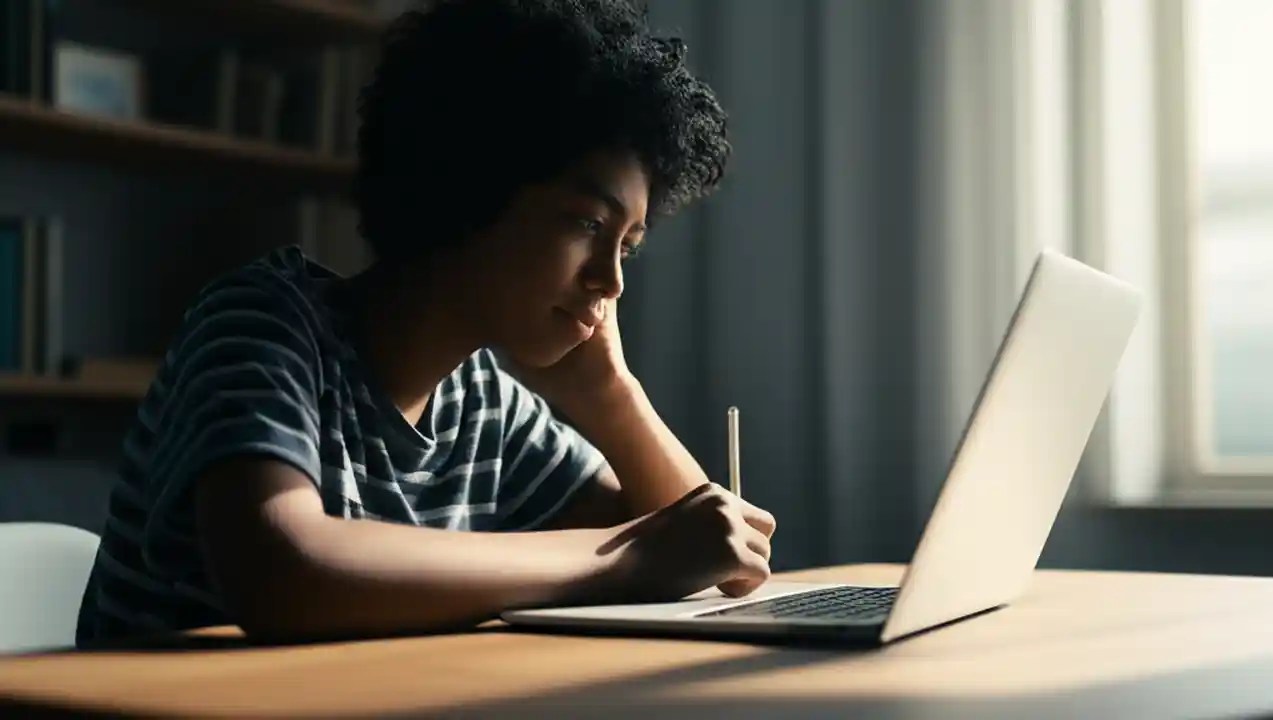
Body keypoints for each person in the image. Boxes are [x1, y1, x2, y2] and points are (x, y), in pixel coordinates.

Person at [76, 0, 776, 646]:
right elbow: (282, 571)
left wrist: (612, 396)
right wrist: (626, 557)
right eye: (589, 224)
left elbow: (717, 567)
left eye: (627, 245)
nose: (611, 280)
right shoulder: (262, 324)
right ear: (468, 186)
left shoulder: (483, 405)